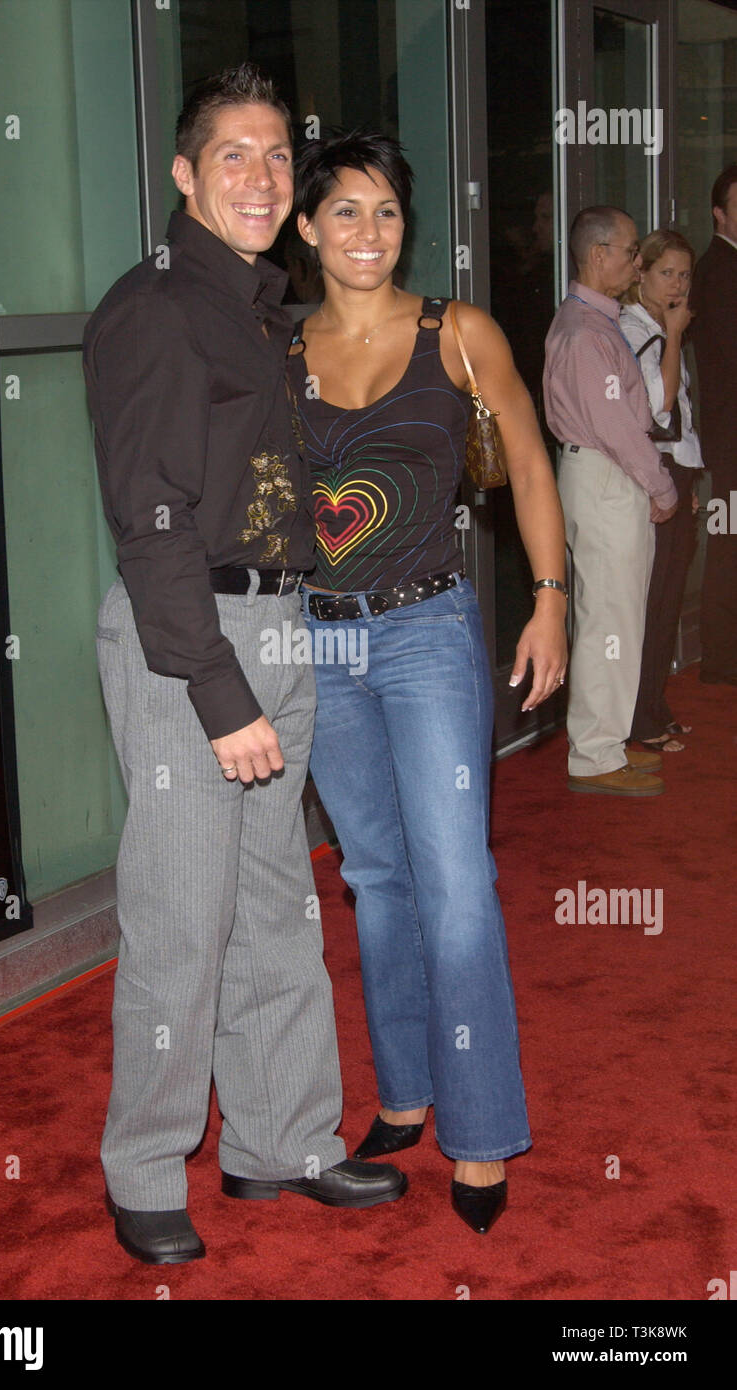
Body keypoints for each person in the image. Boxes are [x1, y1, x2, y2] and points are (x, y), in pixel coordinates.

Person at [82, 67, 406, 1267]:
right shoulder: (154, 311)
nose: (263, 179)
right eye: (234, 156)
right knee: (180, 919)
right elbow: (153, 522)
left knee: (275, 905)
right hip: (189, 647)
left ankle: (281, 1139)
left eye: (278, 157)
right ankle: (143, 1167)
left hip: (276, 629)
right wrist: (220, 693)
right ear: (183, 173)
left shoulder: (259, 310)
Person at [287, 131, 568, 1233]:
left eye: (386, 212)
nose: (367, 232)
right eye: (343, 212)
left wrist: (548, 599)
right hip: (316, 641)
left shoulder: (456, 335)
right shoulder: (281, 348)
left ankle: (482, 1128)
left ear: (408, 226)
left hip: (425, 634)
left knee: (454, 883)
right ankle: (402, 1092)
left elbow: (532, 462)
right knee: (373, 873)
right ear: (305, 228)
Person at [543, 206, 678, 797]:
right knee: (609, 620)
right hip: (605, 475)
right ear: (598, 255)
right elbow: (620, 427)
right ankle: (596, 756)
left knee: (610, 616)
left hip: (597, 473)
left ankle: (604, 746)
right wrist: (661, 483)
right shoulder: (585, 330)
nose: (636, 262)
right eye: (629, 252)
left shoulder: (589, 322)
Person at [619, 230, 702, 752]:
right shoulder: (635, 328)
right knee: (649, 604)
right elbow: (659, 409)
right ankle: (638, 719)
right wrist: (673, 335)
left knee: (667, 601)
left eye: (685, 274)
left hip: (678, 469)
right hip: (656, 472)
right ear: (641, 273)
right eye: (667, 272)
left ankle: (654, 705)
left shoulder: (656, 324)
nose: (678, 283)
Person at [689, 164, 737, 687]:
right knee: (729, 542)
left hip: (727, 432)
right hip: (730, 435)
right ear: (719, 214)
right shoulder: (720, 270)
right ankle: (723, 658)